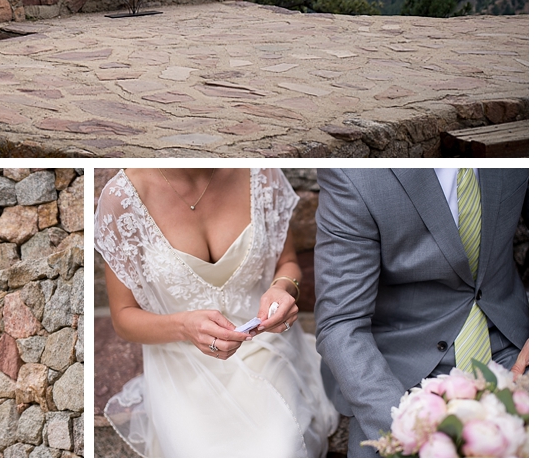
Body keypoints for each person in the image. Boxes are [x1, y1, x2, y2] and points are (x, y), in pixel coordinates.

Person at [94, 167, 338, 458]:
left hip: (265, 346)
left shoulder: (260, 174)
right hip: (182, 366)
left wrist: (283, 289)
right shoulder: (122, 198)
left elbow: (287, 263)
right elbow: (122, 317)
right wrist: (184, 327)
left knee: (281, 447)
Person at [314, 168, 529, 458]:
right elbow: (341, 323)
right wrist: (406, 430)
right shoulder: (353, 175)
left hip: (513, 349)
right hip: (400, 377)